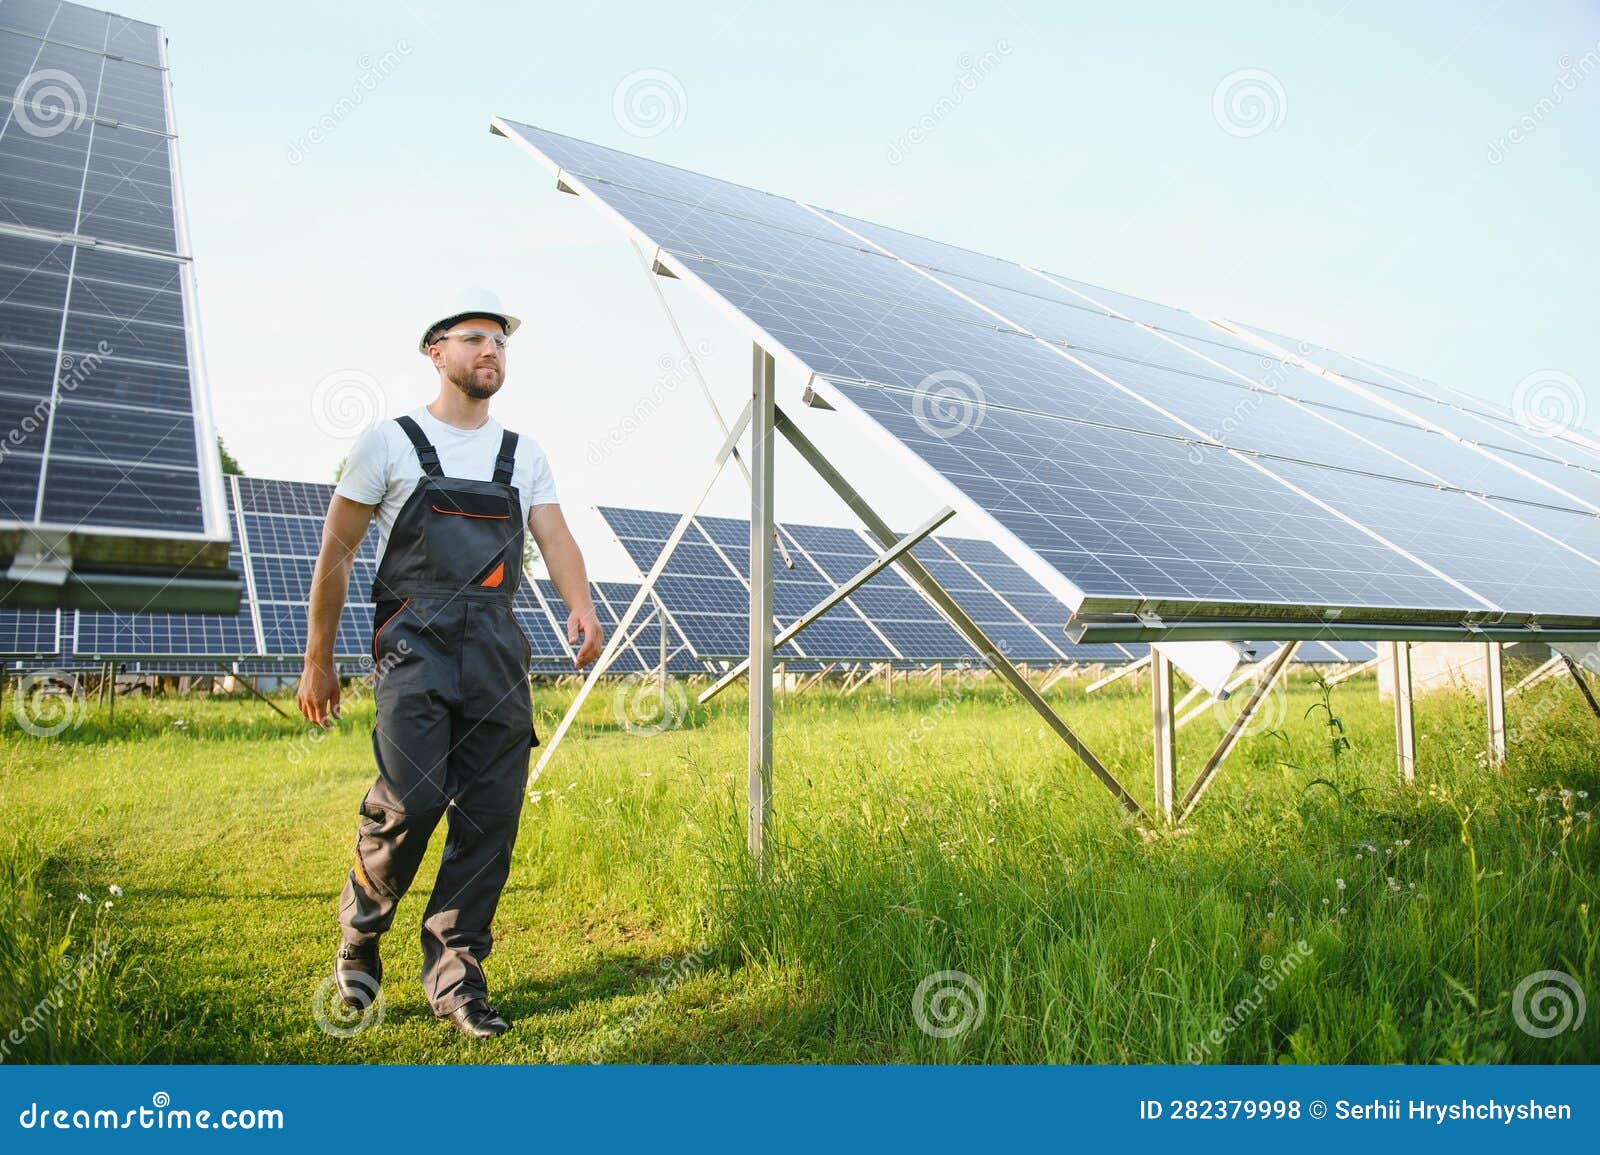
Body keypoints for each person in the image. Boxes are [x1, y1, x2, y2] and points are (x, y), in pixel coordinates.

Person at [296, 288, 603, 1039]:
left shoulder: (522, 453)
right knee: (411, 802)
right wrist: (318, 658)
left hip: (495, 650)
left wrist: (580, 602)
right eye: (473, 339)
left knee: (491, 815)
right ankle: (362, 933)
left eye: (500, 341)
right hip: (414, 650)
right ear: (436, 352)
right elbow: (335, 553)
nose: (490, 351)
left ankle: (457, 974)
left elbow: (557, 539)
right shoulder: (388, 443)